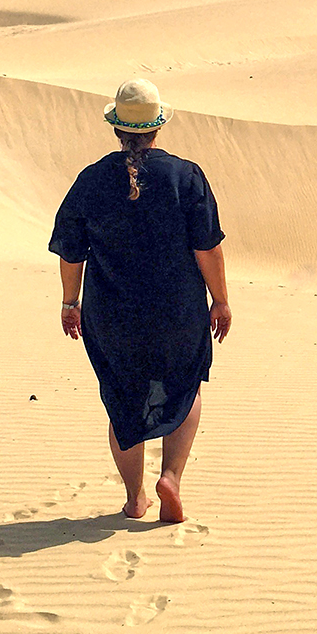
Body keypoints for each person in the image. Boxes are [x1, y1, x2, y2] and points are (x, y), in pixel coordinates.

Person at [49, 79, 232, 523]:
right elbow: (207, 248)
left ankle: (134, 498)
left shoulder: (91, 181)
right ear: (156, 129)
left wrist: (70, 302)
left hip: (111, 315)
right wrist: (221, 301)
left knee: (122, 398)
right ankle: (170, 476)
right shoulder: (185, 176)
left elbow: (72, 251)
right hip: (178, 311)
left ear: (117, 128)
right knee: (185, 389)